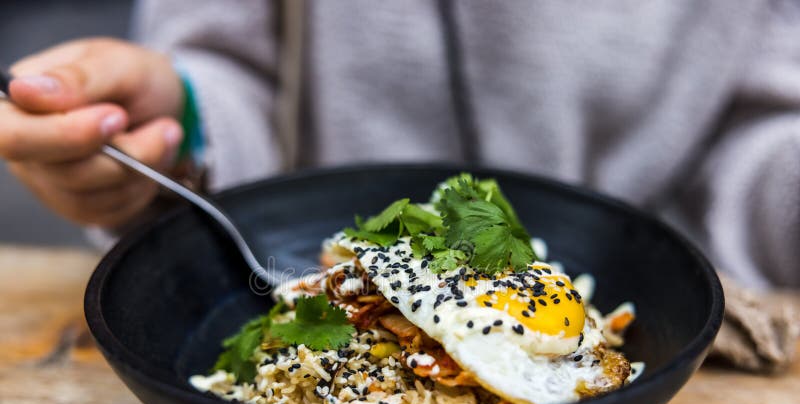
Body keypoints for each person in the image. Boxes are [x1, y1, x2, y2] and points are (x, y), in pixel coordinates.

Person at [0, 0, 797, 288]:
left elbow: (760, 124)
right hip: (285, 255)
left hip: (651, 299)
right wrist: (177, 128)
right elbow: (228, 69)